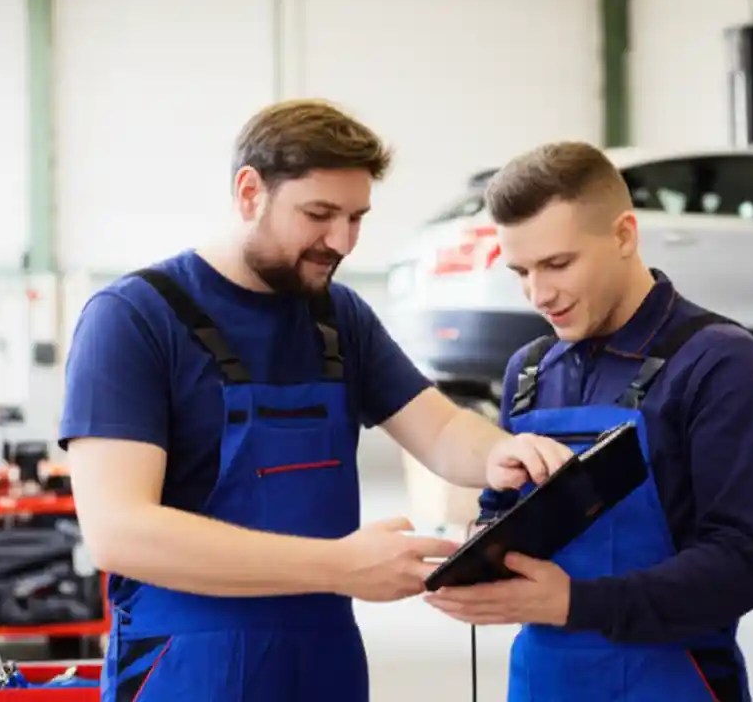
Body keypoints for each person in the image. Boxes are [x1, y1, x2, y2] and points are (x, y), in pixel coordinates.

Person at [58, 99, 572, 702]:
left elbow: (439, 430)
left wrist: (503, 453)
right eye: (320, 214)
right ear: (250, 192)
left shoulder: (337, 317)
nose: (342, 242)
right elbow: (119, 532)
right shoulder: (133, 320)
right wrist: (338, 566)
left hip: (323, 662)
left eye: (357, 217)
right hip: (186, 667)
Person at [426, 141, 753, 701]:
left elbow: (743, 564)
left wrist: (573, 602)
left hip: (673, 684)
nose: (539, 294)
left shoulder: (717, 361)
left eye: (558, 264)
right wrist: (475, 558)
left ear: (624, 235)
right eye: (520, 271)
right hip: (541, 685)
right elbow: (500, 516)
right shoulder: (529, 371)